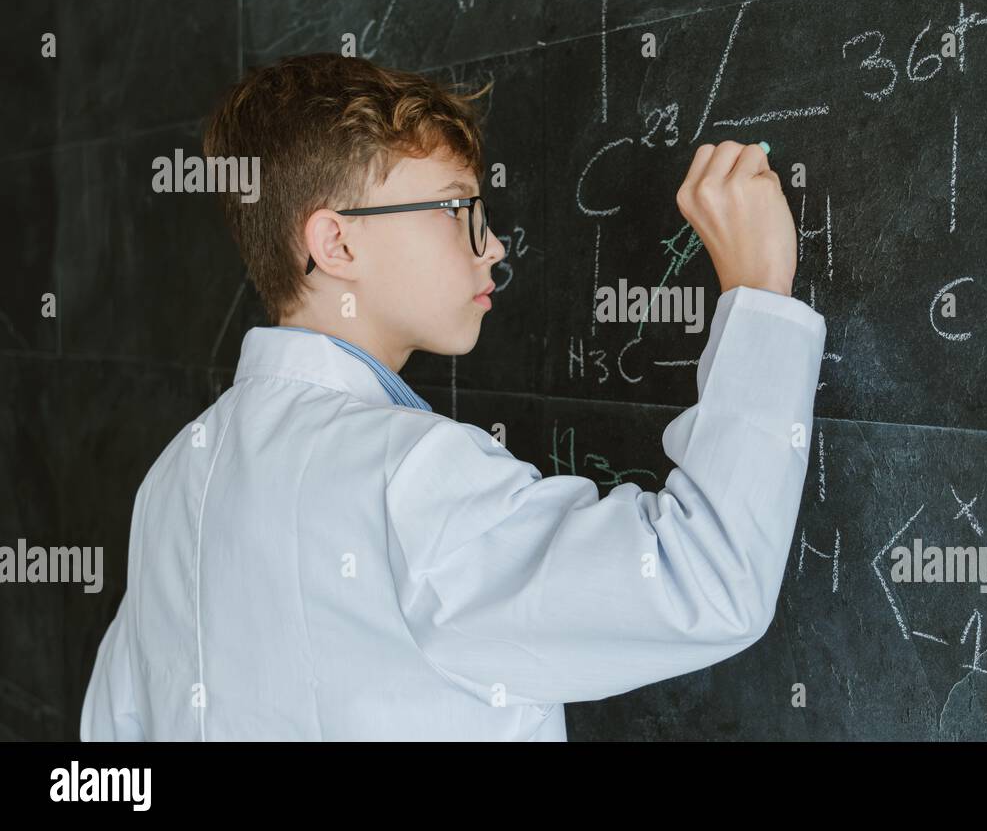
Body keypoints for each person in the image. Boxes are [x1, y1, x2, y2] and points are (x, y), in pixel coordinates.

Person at [80, 54, 827, 740]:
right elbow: (707, 580)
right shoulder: (413, 478)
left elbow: (114, 734)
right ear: (337, 245)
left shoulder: (177, 477)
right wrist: (759, 295)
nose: (493, 245)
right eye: (455, 209)